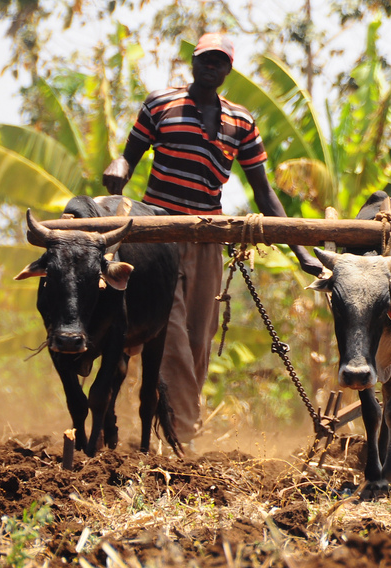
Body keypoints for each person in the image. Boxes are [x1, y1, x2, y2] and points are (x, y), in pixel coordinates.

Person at [102, 32, 323, 447]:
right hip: (157, 234)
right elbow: (127, 158)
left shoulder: (241, 122)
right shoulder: (160, 104)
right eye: (205, 58)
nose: (211, 66)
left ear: (228, 69)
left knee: (198, 339)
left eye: (219, 61)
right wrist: (118, 167)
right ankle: (185, 434)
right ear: (192, 61)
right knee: (167, 336)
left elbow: (264, 192)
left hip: (207, 238)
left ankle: (172, 431)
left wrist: (300, 249)